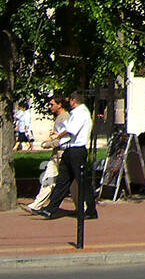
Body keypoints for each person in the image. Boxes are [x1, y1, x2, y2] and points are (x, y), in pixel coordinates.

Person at [35, 90, 98, 221]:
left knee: (82, 182)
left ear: (74, 101)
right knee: (62, 181)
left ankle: (91, 210)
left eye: (70, 101)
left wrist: (58, 135)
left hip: (77, 150)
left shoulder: (81, 113)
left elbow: (71, 130)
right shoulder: (75, 113)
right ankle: (50, 209)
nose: (68, 103)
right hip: (69, 150)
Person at [26, 94, 69, 211]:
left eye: (52, 104)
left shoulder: (65, 118)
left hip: (63, 154)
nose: (50, 107)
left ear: (59, 105)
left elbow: (66, 137)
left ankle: (84, 207)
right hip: (56, 154)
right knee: (48, 178)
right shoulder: (59, 118)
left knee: (73, 183)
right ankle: (36, 205)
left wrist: (48, 144)